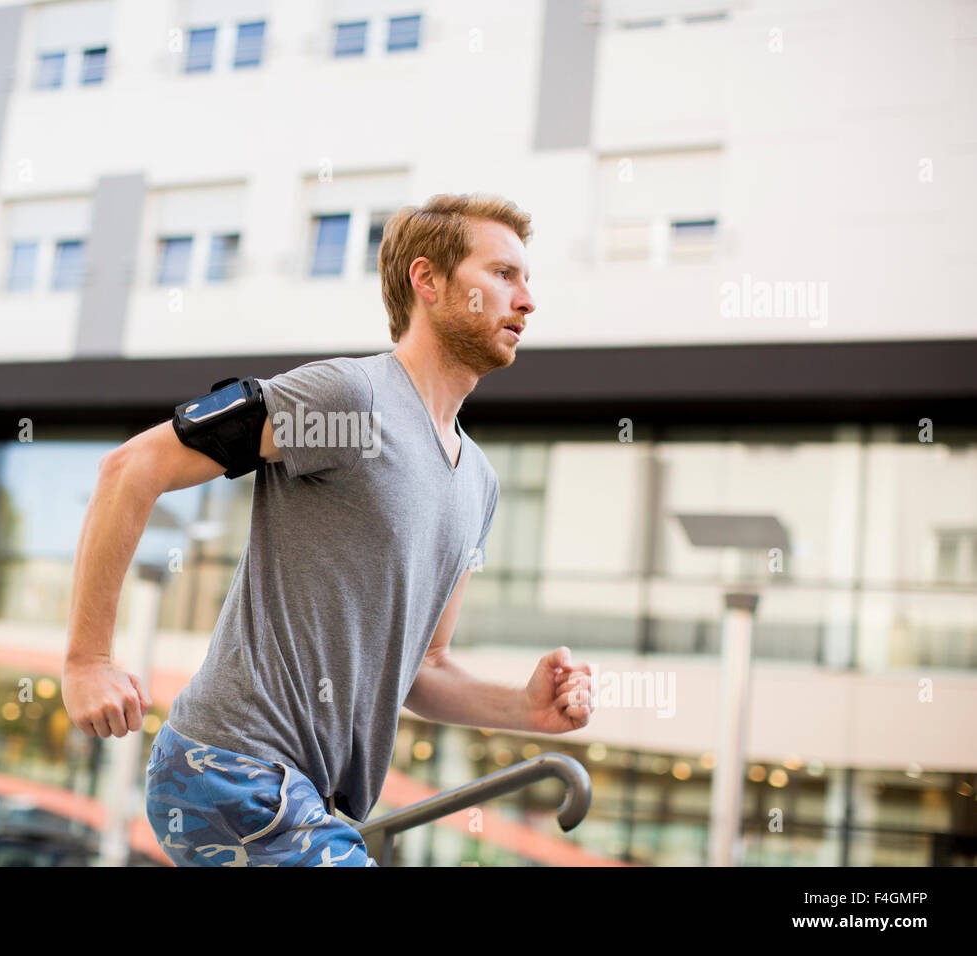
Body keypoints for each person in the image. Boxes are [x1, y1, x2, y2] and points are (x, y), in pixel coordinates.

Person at [63, 192, 593, 867]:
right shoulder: (349, 403)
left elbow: (423, 669)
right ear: (427, 281)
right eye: (502, 275)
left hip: (314, 801)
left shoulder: (478, 482)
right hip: (229, 769)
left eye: (526, 278)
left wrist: (525, 709)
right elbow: (130, 469)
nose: (526, 300)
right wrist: (87, 661)